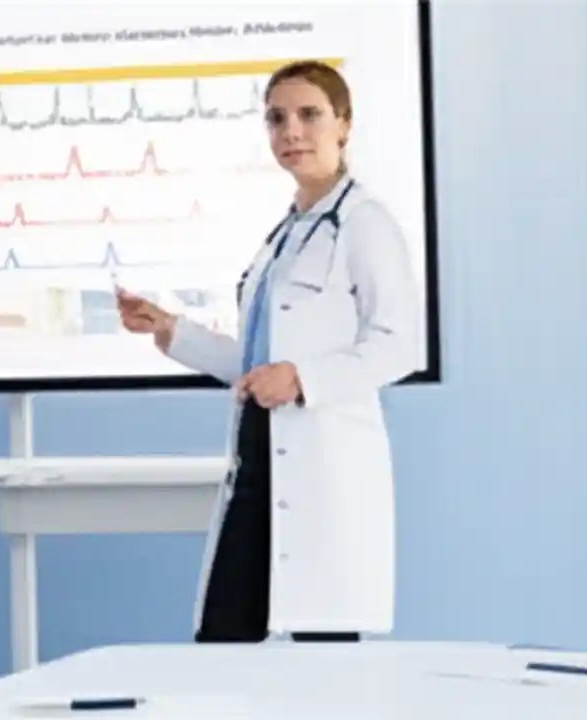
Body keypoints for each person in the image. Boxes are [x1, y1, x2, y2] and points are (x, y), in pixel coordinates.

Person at [116, 60, 422, 643]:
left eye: (309, 115)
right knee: (227, 639)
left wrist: (303, 379)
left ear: (344, 124)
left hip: (321, 467)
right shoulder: (288, 232)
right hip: (260, 459)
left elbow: (397, 345)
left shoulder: (365, 224)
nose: (292, 131)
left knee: (313, 653)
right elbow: (259, 366)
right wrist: (173, 330)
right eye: (277, 119)